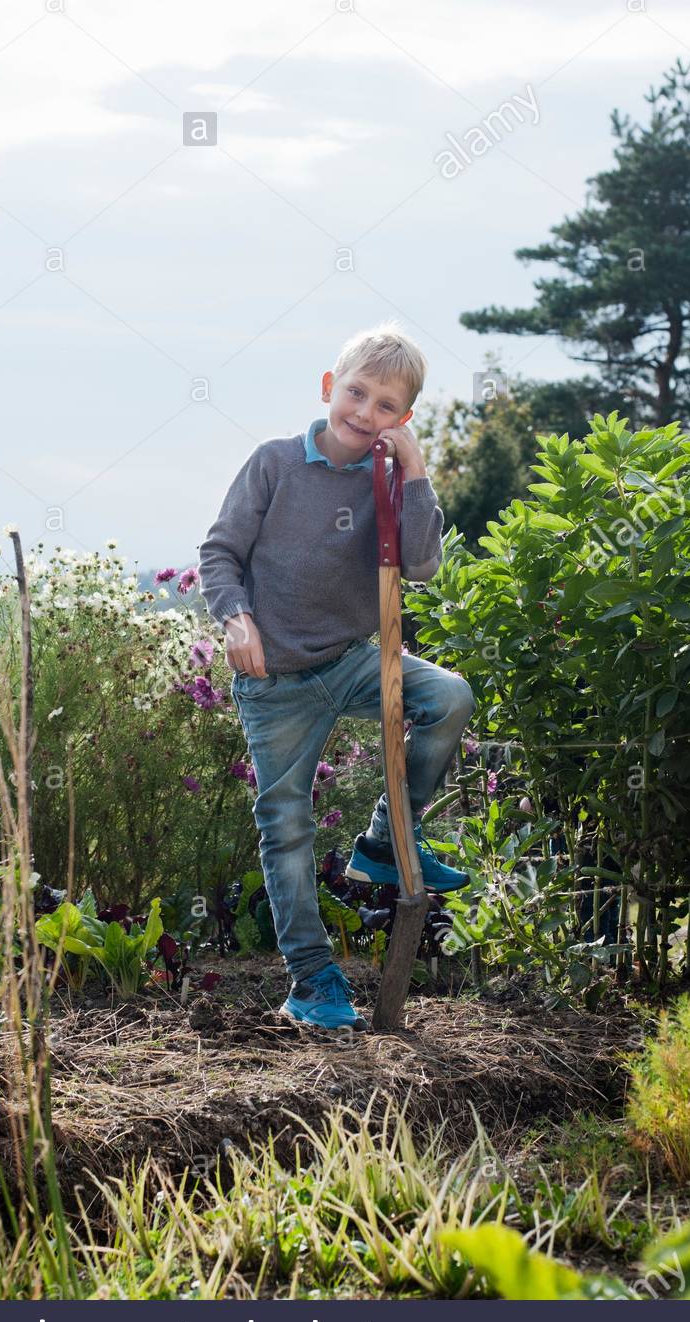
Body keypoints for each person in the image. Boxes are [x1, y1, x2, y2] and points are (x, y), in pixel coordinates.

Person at [198, 321, 476, 1031]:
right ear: (330, 387)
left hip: (357, 661)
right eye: (356, 393)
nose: (365, 412)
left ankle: (386, 841)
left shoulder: (390, 479)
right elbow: (220, 553)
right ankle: (312, 980)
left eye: (386, 406)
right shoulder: (274, 464)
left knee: (447, 695)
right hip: (276, 681)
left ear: (402, 420)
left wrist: (414, 472)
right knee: (285, 827)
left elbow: (418, 565)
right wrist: (236, 619)